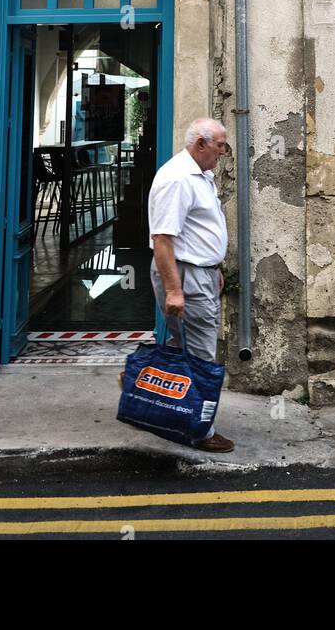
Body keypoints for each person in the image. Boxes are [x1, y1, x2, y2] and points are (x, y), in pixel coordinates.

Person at [147, 118, 233, 453]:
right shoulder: (178, 178)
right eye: (220, 145)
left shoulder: (200, 174)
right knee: (200, 355)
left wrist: (214, 267)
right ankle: (201, 431)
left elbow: (197, 231)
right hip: (186, 276)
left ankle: (152, 388)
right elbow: (163, 239)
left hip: (200, 273)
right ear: (201, 144)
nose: (223, 152)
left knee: (183, 344)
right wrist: (174, 290)